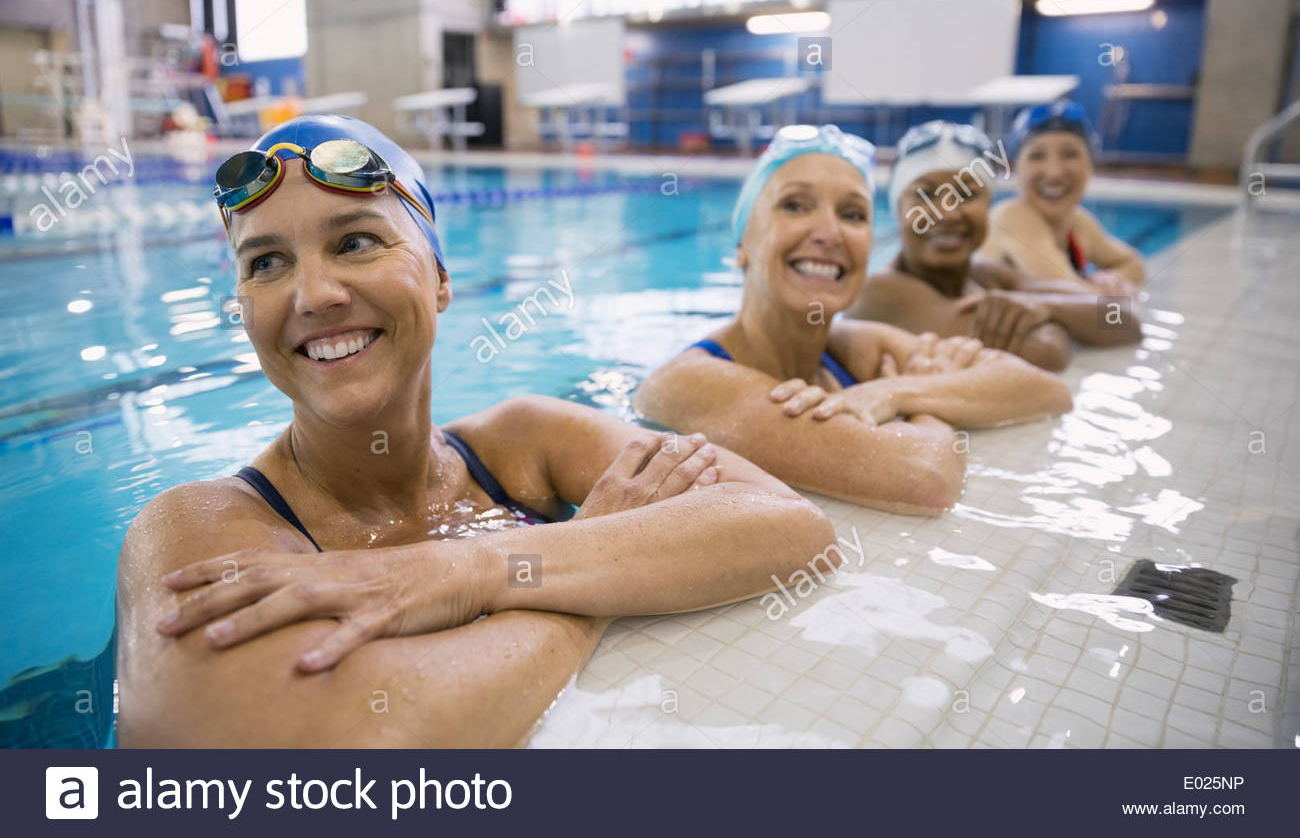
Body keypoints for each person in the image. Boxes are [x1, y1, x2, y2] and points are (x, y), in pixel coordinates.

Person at [114, 115, 837, 748]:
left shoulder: (522, 442)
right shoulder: (195, 526)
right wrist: (584, 590)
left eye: (357, 242)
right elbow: (287, 757)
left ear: (440, 280)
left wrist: (474, 569)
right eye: (265, 262)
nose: (314, 295)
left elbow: (789, 525)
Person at [634, 125, 1073, 516]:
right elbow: (923, 478)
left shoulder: (851, 348)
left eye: (852, 214)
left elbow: (1045, 389)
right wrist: (930, 399)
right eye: (794, 205)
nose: (829, 233)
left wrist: (896, 390)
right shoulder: (693, 381)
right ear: (741, 243)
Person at [847, 121, 1142, 372]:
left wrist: (1043, 306)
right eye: (925, 194)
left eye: (967, 194)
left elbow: (1123, 321)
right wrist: (1056, 313)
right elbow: (1047, 351)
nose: (948, 212)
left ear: (988, 205)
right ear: (898, 209)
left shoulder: (983, 274)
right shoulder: (881, 292)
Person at [976, 101, 1146, 295]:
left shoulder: (1078, 223)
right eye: (1037, 156)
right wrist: (1108, 292)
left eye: (1070, 154)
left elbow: (1135, 265)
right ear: (1015, 169)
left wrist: (1112, 281)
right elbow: (1070, 296)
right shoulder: (1011, 218)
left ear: (1091, 165)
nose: (1054, 172)